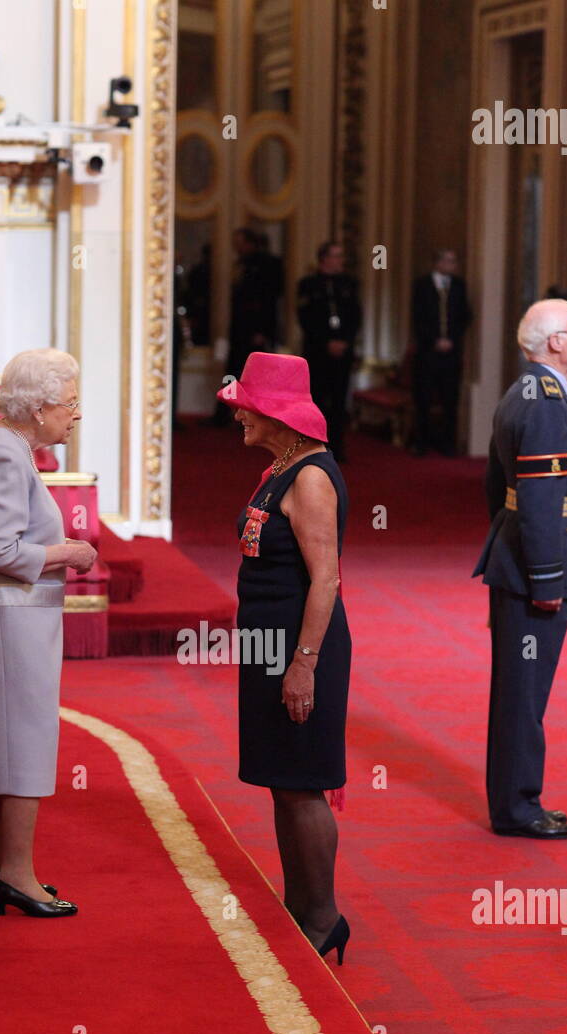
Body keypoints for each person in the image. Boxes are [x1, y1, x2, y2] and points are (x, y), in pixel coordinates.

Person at [0, 349, 96, 917]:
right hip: (7, 618)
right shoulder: (2, 453)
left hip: (1, 616)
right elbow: (2, 550)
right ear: (37, 407)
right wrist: (69, 552)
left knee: (5, 742)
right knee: (24, 741)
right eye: (70, 403)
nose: (75, 415)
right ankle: (18, 875)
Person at [216, 353, 352, 962]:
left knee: (304, 782)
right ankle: (299, 907)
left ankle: (325, 919)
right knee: (282, 779)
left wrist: (303, 664)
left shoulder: (311, 477)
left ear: (277, 412)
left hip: (301, 649)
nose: (238, 413)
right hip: (268, 647)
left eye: (246, 405)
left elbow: (326, 580)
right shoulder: (282, 465)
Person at [473, 299, 567, 838]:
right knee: (524, 693)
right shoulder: (543, 403)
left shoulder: (524, 391)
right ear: (554, 343)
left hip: (515, 559)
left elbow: (499, 490)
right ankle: (518, 808)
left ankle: (516, 799)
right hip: (533, 572)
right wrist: (546, 579)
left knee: (520, 690)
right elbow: (539, 499)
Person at [297, 240, 361, 462]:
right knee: (316, 400)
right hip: (318, 352)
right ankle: (314, 446)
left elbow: (355, 317)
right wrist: (326, 342)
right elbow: (306, 318)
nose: (340, 260)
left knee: (339, 400)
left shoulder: (350, 284)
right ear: (324, 259)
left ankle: (337, 446)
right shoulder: (308, 284)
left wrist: (344, 342)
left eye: (341, 256)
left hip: (342, 352)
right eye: (336, 256)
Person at [213, 229, 280, 424]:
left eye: (239, 243)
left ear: (251, 243)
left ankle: (254, 416)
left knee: (255, 377)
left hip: (255, 330)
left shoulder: (267, 265)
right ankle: (226, 413)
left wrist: (262, 330)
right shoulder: (242, 264)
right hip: (240, 329)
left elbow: (268, 300)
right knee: (233, 372)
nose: (236, 247)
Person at [411, 248, 472, 455]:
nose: (452, 265)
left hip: (452, 353)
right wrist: (434, 340)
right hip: (428, 352)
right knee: (424, 398)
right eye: (448, 261)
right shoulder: (422, 285)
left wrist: (451, 340)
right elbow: (417, 317)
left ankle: (448, 444)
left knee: (450, 399)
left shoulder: (459, 286)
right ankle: (421, 443)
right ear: (437, 263)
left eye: (454, 261)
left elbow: (465, 316)